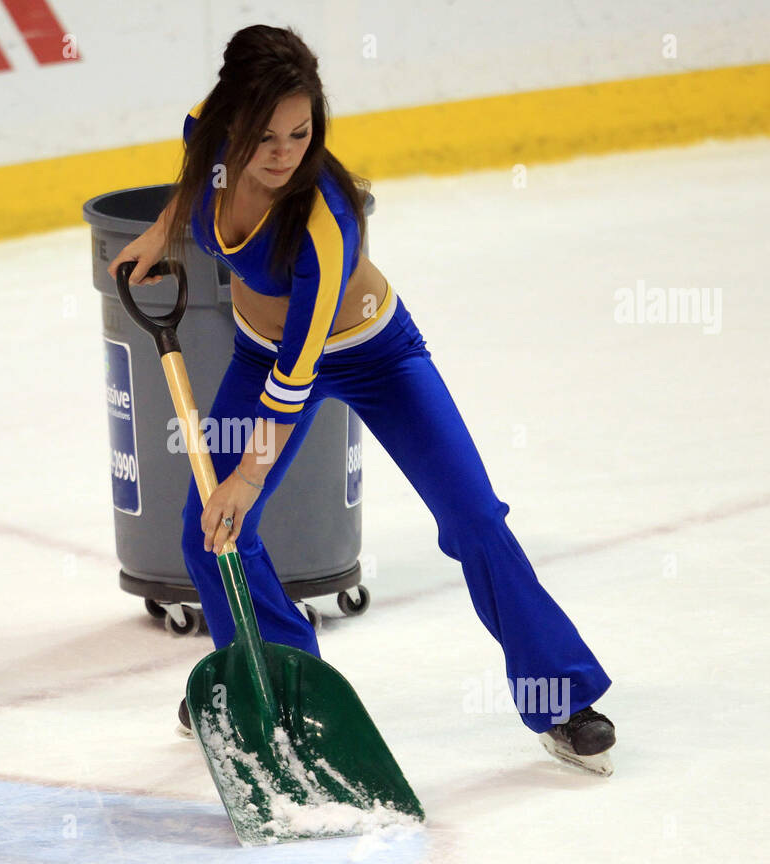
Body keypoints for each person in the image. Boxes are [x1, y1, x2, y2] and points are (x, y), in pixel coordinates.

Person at [108, 24, 616, 774]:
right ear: (230, 124)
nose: (284, 153)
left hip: (372, 355)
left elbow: (299, 373)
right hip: (260, 350)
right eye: (266, 135)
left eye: (301, 133)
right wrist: (161, 231)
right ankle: (272, 679)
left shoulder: (322, 222)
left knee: (473, 517)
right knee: (208, 531)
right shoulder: (206, 139)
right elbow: (194, 181)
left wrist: (249, 477)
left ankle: (561, 695)